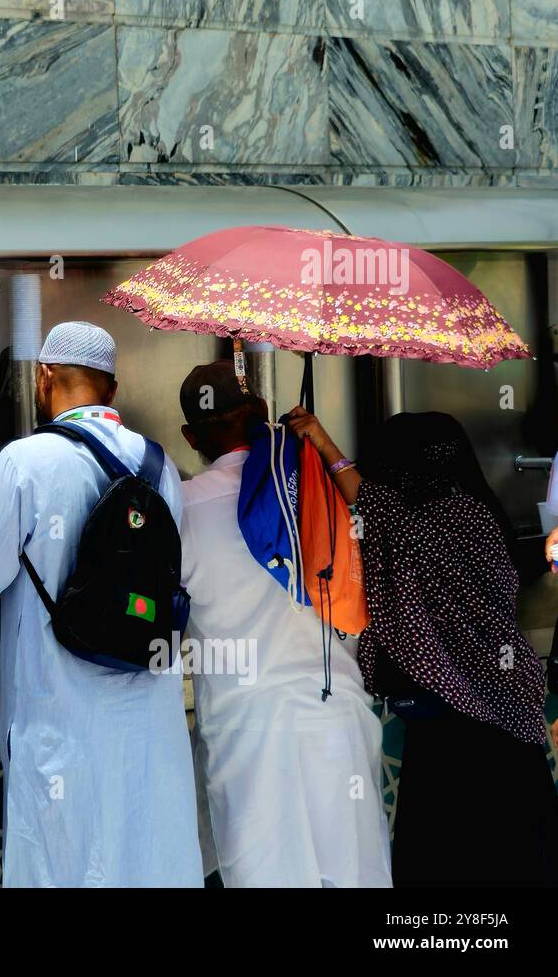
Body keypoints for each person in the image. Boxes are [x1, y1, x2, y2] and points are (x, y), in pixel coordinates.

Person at [0, 321, 203, 888]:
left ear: (43, 380)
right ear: (111, 390)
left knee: (61, 859)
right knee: (143, 854)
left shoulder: (24, 461)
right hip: (146, 722)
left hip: (57, 716)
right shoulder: (159, 466)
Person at [286, 405, 558, 887]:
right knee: (521, 853)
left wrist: (321, 441)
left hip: (447, 722)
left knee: (441, 854)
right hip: (511, 715)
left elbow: (366, 499)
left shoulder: (411, 523)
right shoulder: (479, 513)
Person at [177, 361, 391, 887]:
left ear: (189, 435)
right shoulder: (327, 491)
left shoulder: (180, 510)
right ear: (264, 414)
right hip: (338, 719)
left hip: (251, 740)